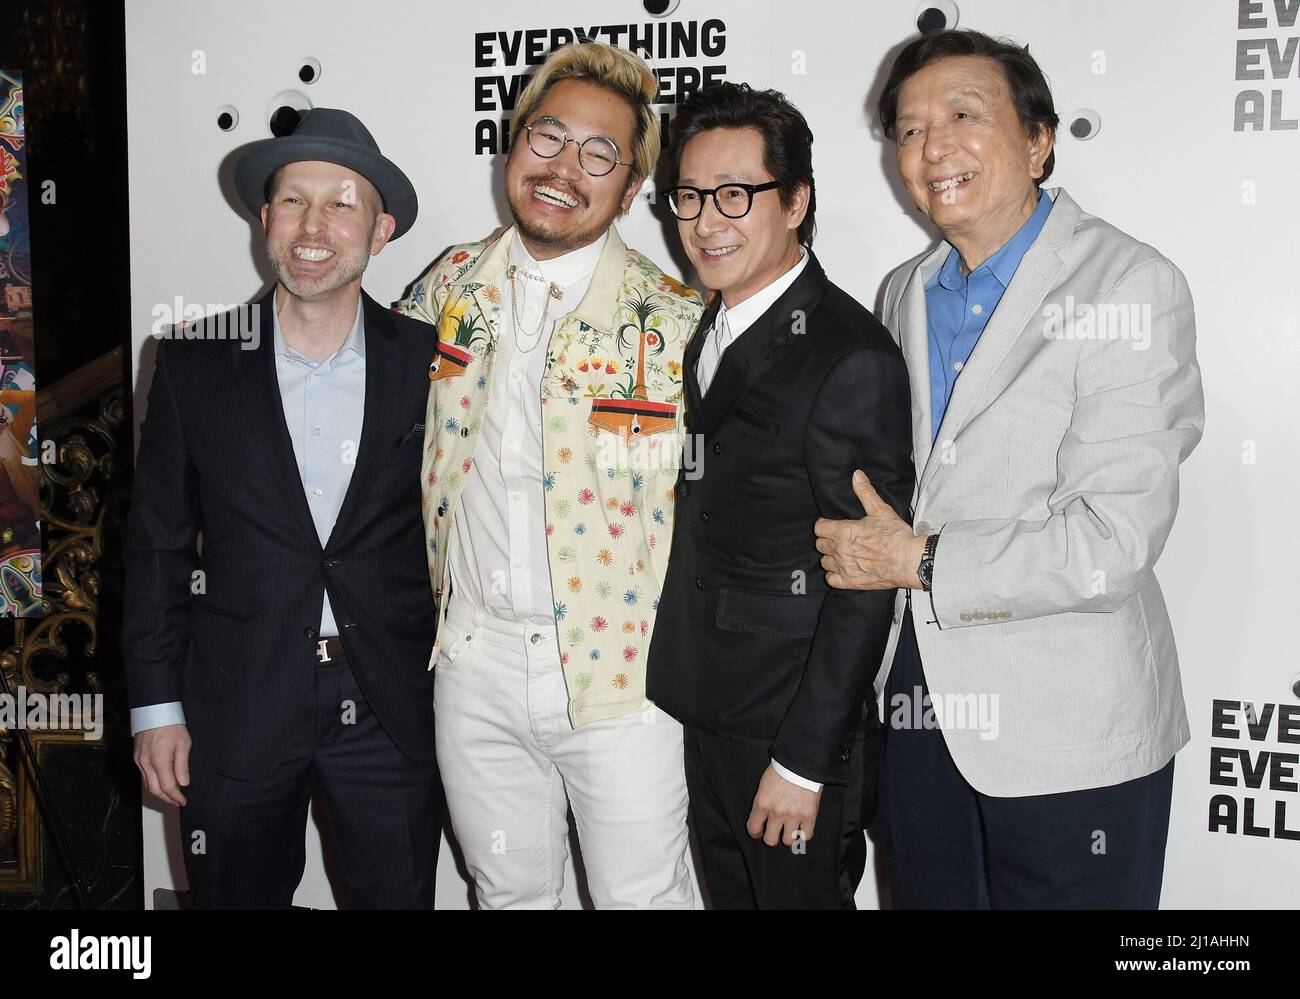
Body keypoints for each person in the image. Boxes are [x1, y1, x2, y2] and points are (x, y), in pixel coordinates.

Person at [815, 29, 1204, 908]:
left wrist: (921, 562)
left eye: (962, 115)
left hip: (1072, 727)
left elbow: (1115, 537)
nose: (932, 147)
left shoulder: (1128, 285)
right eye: (908, 130)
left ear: (1039, 139)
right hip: (919, 715)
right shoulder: (902, 291)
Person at [396, 42, 702, 909]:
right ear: (512, 145)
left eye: (600, 154)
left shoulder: (673, 322)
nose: (566, 168)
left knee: (644, 896)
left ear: (632, 188)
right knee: (508, 892)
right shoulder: (448, 287)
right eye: (548, 137)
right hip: (472, 659)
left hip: (623, 675)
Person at [125, 108, 441, 908]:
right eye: (292, 201)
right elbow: (156, 549)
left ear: (381, 228)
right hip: (235, 703)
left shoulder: (429, 361)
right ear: (264, 220)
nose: (313, 226)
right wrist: (156, 708)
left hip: (389, 707)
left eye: (341, 203)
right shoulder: (192, 361)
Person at [645, 82, 914, 909]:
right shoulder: (710, 322)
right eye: (688, 196)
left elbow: (866, 582)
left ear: (796, 201)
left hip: (793, 731)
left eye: (737, 194)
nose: (705, 221)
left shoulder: (847, 353)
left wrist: (801, 761)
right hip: (707, 705)